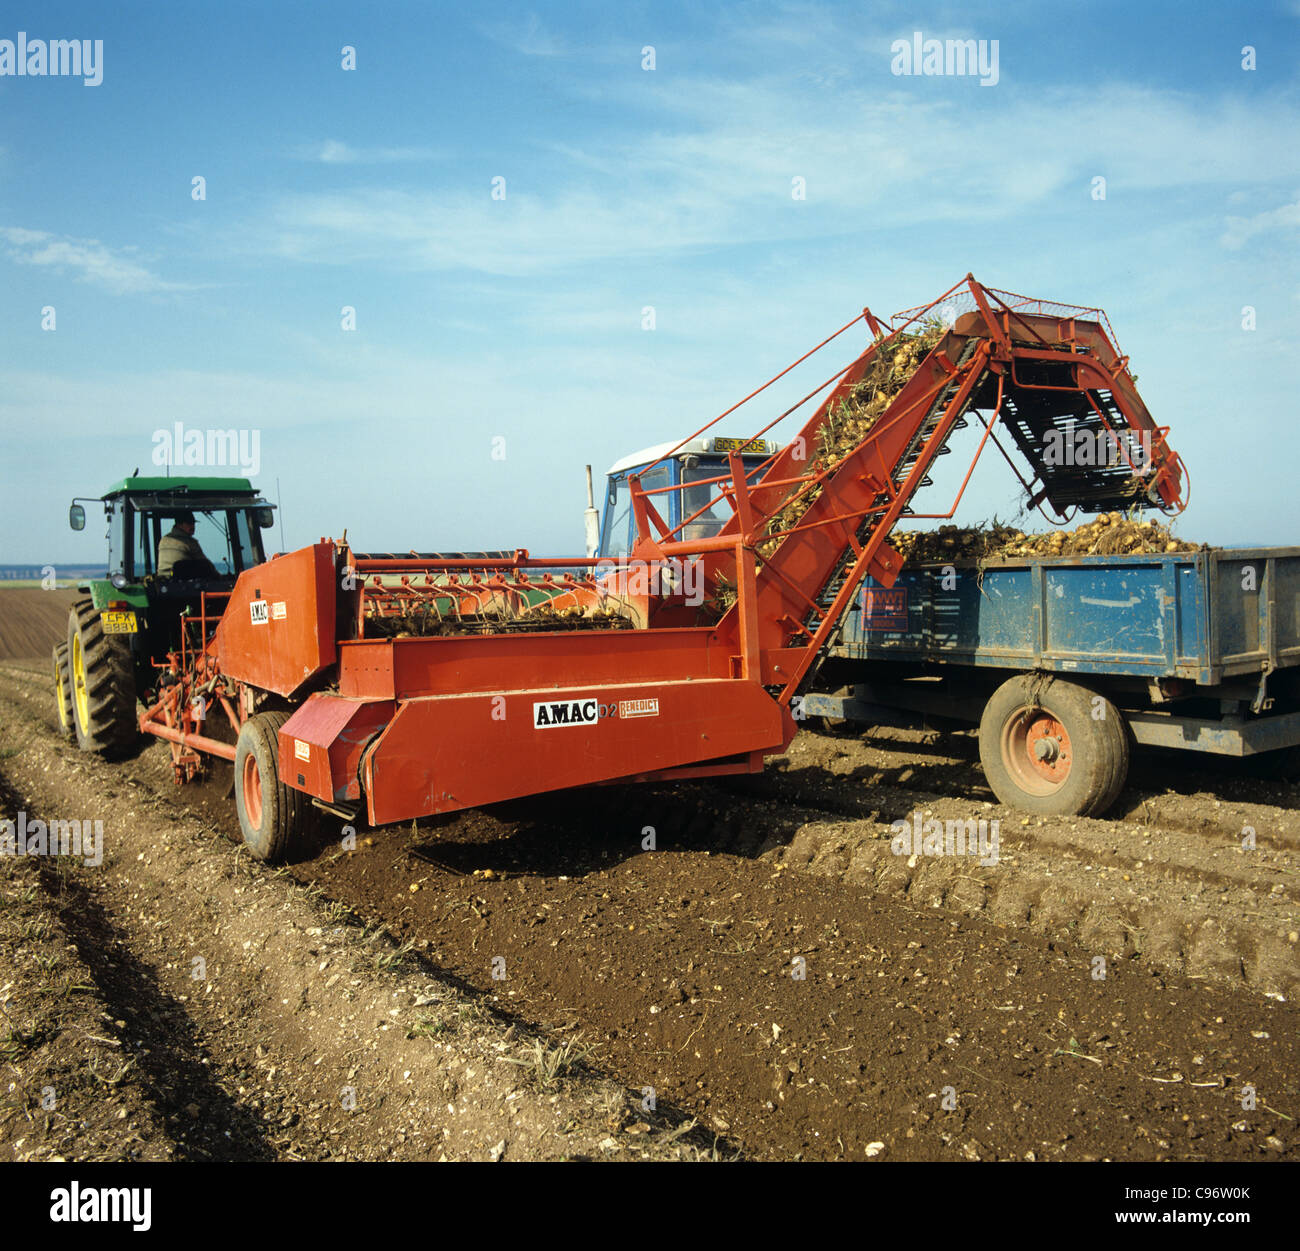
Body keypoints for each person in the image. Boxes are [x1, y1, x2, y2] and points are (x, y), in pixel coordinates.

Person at [157, 511, 212, 578]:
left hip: (162, 580)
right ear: (179, 525)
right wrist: (219, 577)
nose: (193, 526)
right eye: (189, 523)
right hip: (182, 582)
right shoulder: (190, 542)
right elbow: (206, 565)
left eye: (193, 523)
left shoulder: (163, 540)